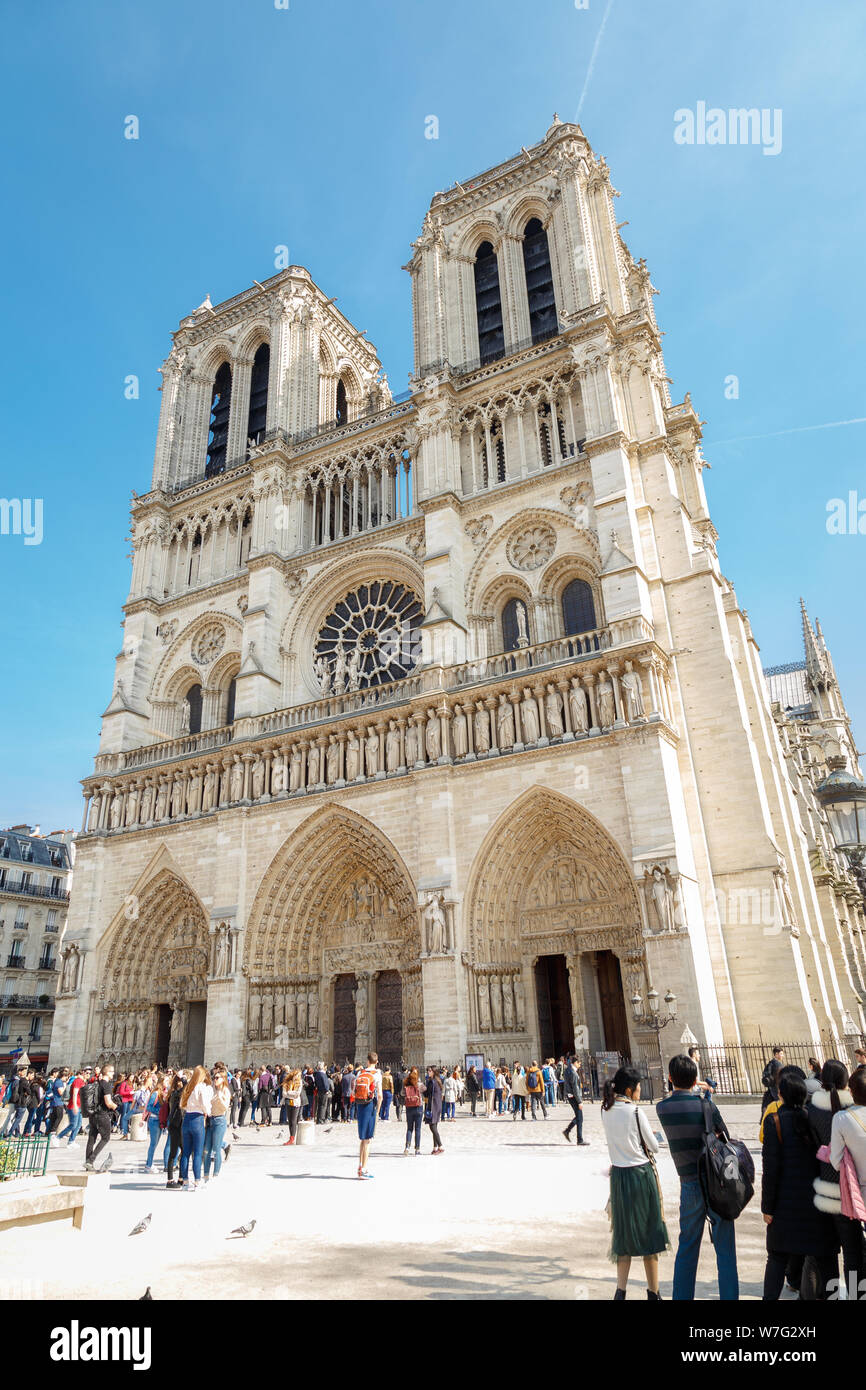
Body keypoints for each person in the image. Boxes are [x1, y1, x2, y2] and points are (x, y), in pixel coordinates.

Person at [656, 1053, 738, 1300]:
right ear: (695, 1080)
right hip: (716, 1183)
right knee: (725, 1250)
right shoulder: (706, 1105)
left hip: (689, 1184)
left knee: (687, 1248)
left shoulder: (663, 1108)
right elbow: (725, 1136)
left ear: (670, 1079)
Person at [761, 1066, 838, 1299]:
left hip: (785, 1204)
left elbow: (770, 1170)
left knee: (776, 1258)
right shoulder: (811, 1118)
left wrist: (767, 1207)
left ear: (780, 1095)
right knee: (824, 1257)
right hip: (814, 1202)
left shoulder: (774, 1122)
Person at [601, 1064, 668, 1300]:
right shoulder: (635, 1112)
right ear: (630, 1090)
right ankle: (653, 1292)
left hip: (619, 1177)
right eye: (638, 1087)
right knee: (650, 1232)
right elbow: (654, 1146)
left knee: (623, 1235)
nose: (640, 1090)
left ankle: (620, 1292)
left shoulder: (605, 1110)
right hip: (640, 1175)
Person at [807, 1059, 860, 1293]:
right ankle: (858, 1294)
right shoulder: (852, 1110)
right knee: (853, 1253)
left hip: (823, 1188)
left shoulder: (812, 1110)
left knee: (827, 1252)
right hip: (850, 1190)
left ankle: (831, 1296)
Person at [828, 1062, 866, 1296]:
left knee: (853, 1250)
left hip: (858, 1192)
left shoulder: (842, 1118)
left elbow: (835, 1160)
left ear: (851, 1091)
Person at [179, 1065, 213, 1192]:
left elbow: (182, 1103)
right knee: (198, 1153)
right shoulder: (201, 1087)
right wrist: (208, 1112)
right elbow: (205, 1103)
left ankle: (185, 1182)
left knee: (185, 1153)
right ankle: (198, 1181)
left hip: (187, 1119)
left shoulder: (187, 1087)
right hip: (197, 1120)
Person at [85, 1064, 117, 1172]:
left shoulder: (96, 1083)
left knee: (92, 1138)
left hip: (93, 1114)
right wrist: (115, 1106)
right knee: (105, 1138)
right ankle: (90, 1160)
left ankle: (88, 1164)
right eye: (112, 1072)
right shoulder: (106, 1085)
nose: (113, 1073)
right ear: (107, 1072)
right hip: (102, 1114)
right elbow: (108, 1102)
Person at [202, 1064, 230, 1182]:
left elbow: (225, 1108)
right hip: (210, 1120)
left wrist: (219, 1096)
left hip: (219, 1121)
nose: (214, 1079)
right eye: (214, 1077)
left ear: (223, 1079)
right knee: (206, 1149)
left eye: (217, 1077)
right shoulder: (211, 1090)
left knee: (216, 1148)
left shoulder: (225, 1091)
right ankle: (206, 1174)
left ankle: (216, 1173)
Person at [58, 1067, 90, 1144]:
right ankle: (57, 1137)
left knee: (78, 1125)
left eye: (89, 1073)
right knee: (73, 1125)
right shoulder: (78, 1081)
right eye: (87, 1073)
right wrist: (75, 1105)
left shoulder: (83, 1082)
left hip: (79, 1106)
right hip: (74, 1106)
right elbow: (75, 1094)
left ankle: (71, 1141)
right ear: (82, 1072)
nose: (88, 1075)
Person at [562, 1054, 589, 1144]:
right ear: (575, 1062)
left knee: (579, 1117)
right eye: (579, 1063)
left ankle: (568, 1131)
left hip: (570, 1095)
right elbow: (575, 1089)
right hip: (573, 1096)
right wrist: (580, 1101)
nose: (580, 1065)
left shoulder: (567, 1070)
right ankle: (579, 1139)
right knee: (580, 1118)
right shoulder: (573, 1073)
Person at [143, 1075, 168, 1173]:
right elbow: (149, 1107)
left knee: (155, 1144)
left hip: (158, 1120)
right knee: (153, 1144)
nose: (168, 1082)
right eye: (166, 1081)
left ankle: (149, 1164)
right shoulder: (155, 1093)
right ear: (161, 1082)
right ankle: (148, 1165)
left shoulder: (162, 1092)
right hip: (154, 1120)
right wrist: (160, 1111)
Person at [165, 1074, 186, 1188]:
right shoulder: (176, 1094)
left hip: (178, 1124)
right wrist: (184, 1079)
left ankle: (181, 1178)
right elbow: (186, 1088)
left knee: (182, 1151)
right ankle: (170, 1180)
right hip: (176, 1125)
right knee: (174, 1152)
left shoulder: (175, 1093)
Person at [403, 1066, 424, 1155]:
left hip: (409, 1107)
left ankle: (407, 1147)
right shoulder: (419, 1084)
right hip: (418, 1107)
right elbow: (425, 1089)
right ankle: (417, 1149)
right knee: (418, 1129)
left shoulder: (406, 1084)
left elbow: (402, 1093)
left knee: (409, 1128)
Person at [425, 1066, 444, 1154]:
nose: (428, 1072)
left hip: (433, 1105)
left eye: (430, 1071)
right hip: (438, 1104)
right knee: (434, 1126)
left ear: (434, 1072)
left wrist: (421, 1088)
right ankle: (435, 1147)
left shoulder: (432, 1082)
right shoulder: (438, 1080)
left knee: (432, 1126)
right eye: (428, 1071)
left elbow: (427, 1093)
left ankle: (440, 1146)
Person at [281, 1068, 303, 1145]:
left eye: (300, 1075)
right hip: (288, 1102)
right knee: (290, 1121)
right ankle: (291, 1137)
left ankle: (292, 1138)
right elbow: (284, 1093)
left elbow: (298, 1094)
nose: (299, 1077)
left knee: (293, 1121)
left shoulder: (300, 1082)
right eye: (298, 1075)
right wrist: (291, 1094)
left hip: (296, 1103)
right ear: (294, 1075)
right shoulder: (287, 1082)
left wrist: (289, 1093)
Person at [760, 1046, 785, 1114]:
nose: (783, 1055)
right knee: (781, 1105)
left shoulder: (771, 1063)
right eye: (781, 1053)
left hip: (772, 1088)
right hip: (778, 1089)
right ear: (776, 1054)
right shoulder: (778, 1064)